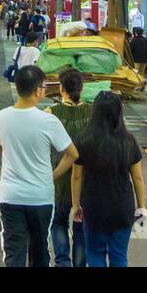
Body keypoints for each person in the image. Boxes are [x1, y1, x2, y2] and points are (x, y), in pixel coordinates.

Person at [0, 65, 78, 267]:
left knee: (14, 253)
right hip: (40, 196)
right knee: (40, 254)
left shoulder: (1, 116)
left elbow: (1, 148)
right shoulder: (48, 121)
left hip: (10, 196)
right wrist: (52, 176)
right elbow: (72, 154)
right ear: (37, 90)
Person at [71, 91, 147, 268]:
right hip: (122, 208)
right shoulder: (128, 141)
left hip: (94, 208)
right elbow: (137, 177)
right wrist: (141, 206)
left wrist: (75, 205)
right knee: (119, 257)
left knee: (95, 254)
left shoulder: (84, 139)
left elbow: (76, 176)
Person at [47, 68, 92, 267]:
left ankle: (62, 262)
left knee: (58, 223)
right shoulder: (92, 113)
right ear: (81, 88)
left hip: (58, 179)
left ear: (61, 88)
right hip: (84, 182)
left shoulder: (50, 113)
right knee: (81, 227)